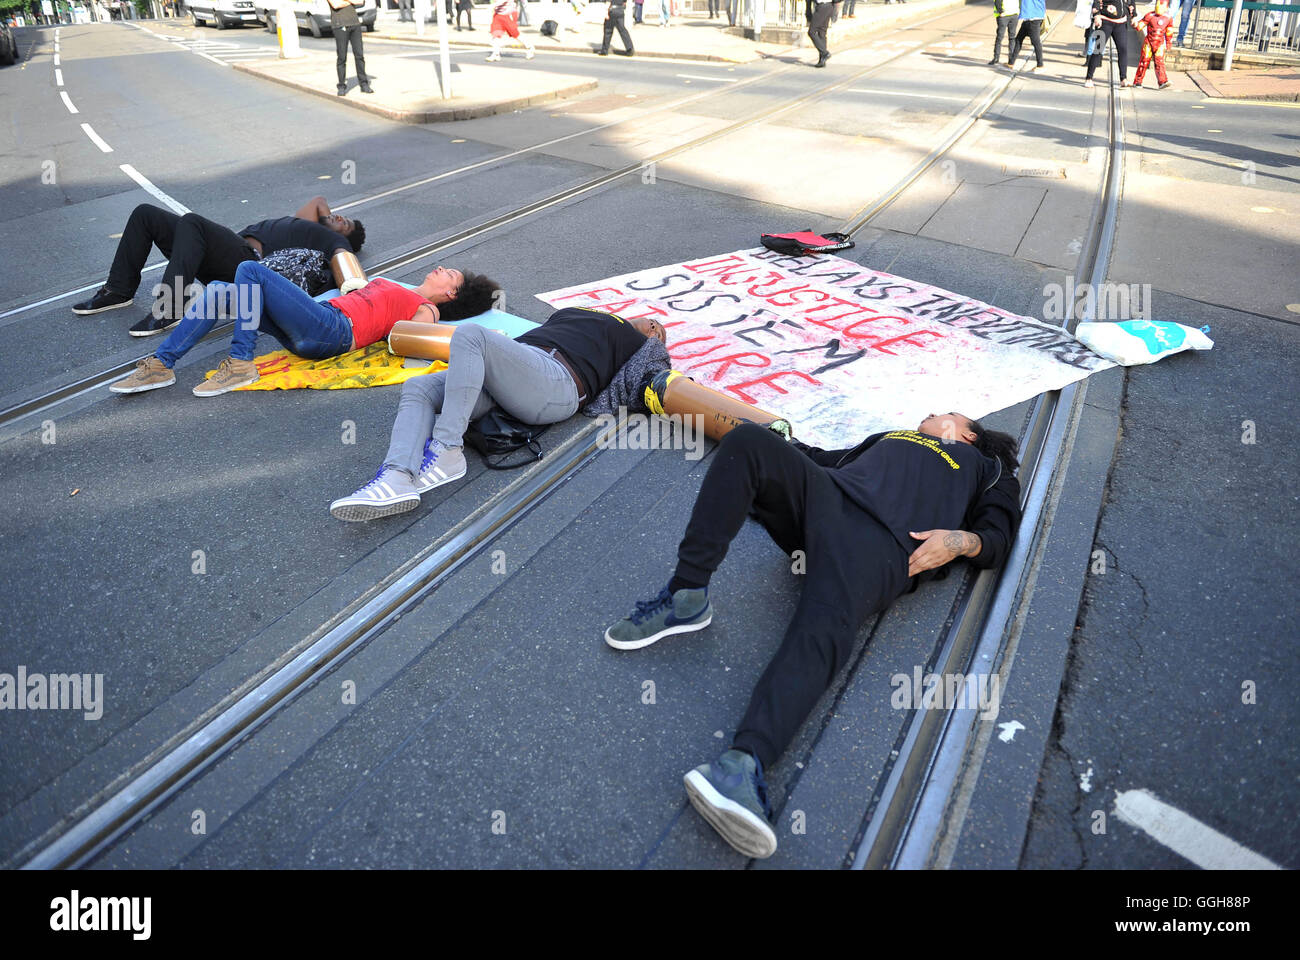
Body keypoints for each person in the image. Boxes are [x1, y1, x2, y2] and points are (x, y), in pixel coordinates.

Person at [604, 414, 1023, 858]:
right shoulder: (891, 436)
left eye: (944, 412)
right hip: (829, 497)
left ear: (966, 432)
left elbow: (998, 536)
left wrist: (959, 541)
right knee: (748, 442)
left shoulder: (987, 468)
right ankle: (685, 596)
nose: (930, 415)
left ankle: (743, 765)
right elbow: (823, 459)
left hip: (886, 545)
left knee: (823, 628)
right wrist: (775, 441)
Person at [331, 307, 668, 520]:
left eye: (658, 330)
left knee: (471, 334)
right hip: (516, 369)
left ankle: (447, 448)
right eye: (653, 321)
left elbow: (654, 378)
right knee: (419, 388)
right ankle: (397, 475)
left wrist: (656, 352)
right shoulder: (581, 314)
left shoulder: (637, 346)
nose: (653, 327)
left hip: (556, 382)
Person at [110, 265, 498, 396]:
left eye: (450, 273)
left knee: (250, 271)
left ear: (451, 292)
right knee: (217, 292)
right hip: (317, 320)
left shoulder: (426, 308)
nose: (441, 268)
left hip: (333, 330)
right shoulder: (399, 286)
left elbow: (412, 341)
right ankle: (163, 364)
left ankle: (241, 362)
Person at [73, 197, 365, 337]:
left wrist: (356, 286)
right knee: (145, 213)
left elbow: (346, 264)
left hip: (250, 267)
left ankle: (171, 306)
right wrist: (329, 217)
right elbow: (318, 202)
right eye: (341, 216)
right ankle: (118, 290)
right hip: (219, 258)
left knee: (192, 221)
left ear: (345, 235)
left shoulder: (330, 241)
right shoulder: (308, 222)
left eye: (346, 223)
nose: (339, 217)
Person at [1084, 0, 1136, 86]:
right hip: (1104, 21)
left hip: (1121, 23)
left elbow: (1131, 1)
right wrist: (1096, 16)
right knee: (1098, 49)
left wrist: (1133, 16)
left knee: (1123, 49)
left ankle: (1123, 78)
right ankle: (1089, 78)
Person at [330, 0, 372, 96]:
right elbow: (336, 5)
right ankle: (341, 86)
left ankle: (364, 84)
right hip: (339, 25)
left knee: (359, 55)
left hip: (355, 24)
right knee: (342, 57)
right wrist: (351, 1)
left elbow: (360, 1)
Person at [1133, 0, 1175, 88]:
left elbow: (1169, 32)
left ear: (1166, 7)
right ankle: (1138, 81)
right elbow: (1140, 26)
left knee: (1159, 62)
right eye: (1157, 4)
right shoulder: (1149, 15)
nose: (1158, 7)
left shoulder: (1168, 18)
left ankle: (1162, 81)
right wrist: (1136, 24)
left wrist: (1168, 43)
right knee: (1144, 62)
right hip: (1148, 42)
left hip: (1159, 44)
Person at [1006, 0, 1046, 71]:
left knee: (1036, 42)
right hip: (1028, 19)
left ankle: (1040, 65)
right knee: (1018, 40)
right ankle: (1010, 63)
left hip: (1034, 19)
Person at [990, 0, 1019, 65]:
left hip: (1009, 15)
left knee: (1005, 38)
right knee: (1006, 38)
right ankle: (1003, 58)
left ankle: (1002, 58)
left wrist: (1000, 11)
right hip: (1009, 15)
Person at [807, 0, 835, 67]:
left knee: (812, 32)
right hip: (829, 6)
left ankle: (824, 53)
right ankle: (822, 60)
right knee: (822, 32)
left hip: (822, 6)